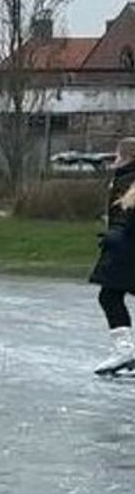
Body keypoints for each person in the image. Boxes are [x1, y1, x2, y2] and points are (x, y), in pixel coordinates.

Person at [89, 137, 135, 373]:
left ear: (125, 157)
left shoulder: (127, 179)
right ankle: (125, 349)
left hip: (126, 249)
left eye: (117, 155)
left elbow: (126, 216)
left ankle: (125, 350)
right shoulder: (124, 178)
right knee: (110, 295)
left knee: (109, 296)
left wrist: (115, 235)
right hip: (125, 246)